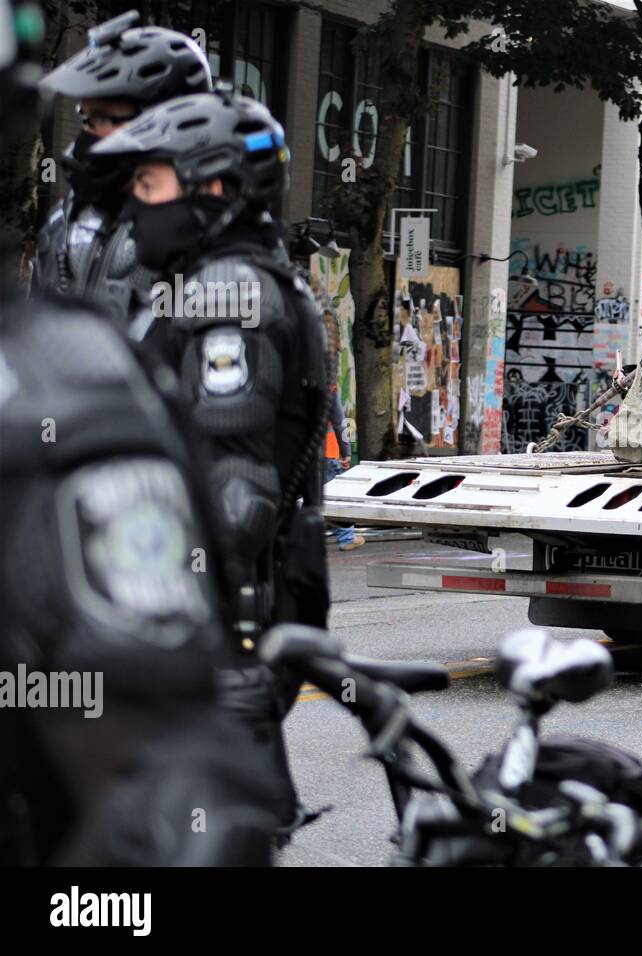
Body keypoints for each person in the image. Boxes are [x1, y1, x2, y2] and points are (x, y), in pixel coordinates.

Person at [0, 0, 277, 864]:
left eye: (110, 121)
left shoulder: (186, 253)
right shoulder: (70, 222)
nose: (92, 141)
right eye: (85, 120)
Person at [90, 86, 332, 836]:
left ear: (217, 187)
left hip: (221, 627)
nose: (136, 208)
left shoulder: (228, 292)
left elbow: (237, 498)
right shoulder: (224, 280)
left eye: (151, 185)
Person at [31, 9, 213, 331]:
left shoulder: (208, 241)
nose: (87, 134)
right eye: (85, 117)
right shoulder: (67, 221)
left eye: (103, 118)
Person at [325, 379, 365, 551]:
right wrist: (346, 451)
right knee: (335, 496)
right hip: (326, 451)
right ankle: (346, 537)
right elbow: (340, 422)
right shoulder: (329, 386)